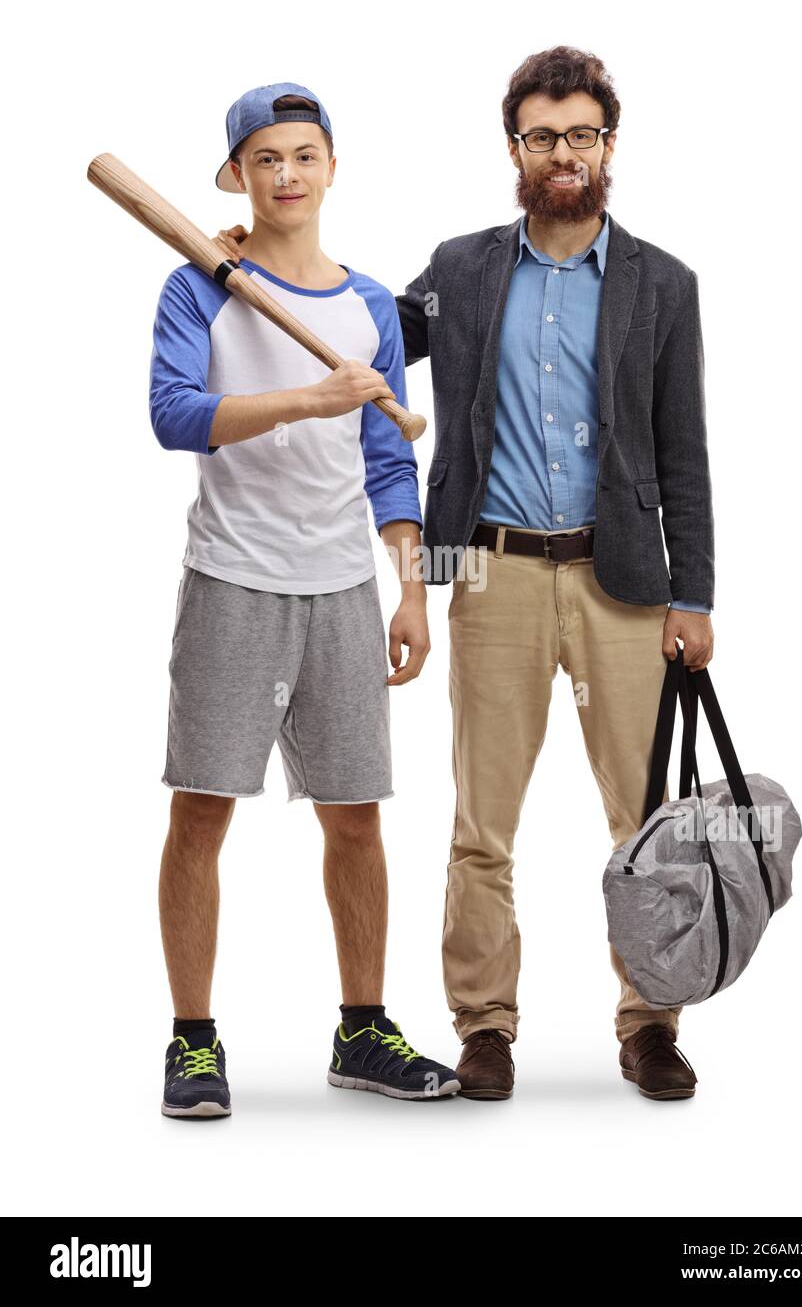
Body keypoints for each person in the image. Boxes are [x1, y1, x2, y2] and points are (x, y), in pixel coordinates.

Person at [217, 49, 715, 1104]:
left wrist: (694, 596)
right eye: (542, 136)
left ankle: (648, 1024)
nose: (562, 153)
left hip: (623, 583)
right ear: (514, 150)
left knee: (642, 823)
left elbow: (684, 452)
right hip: (484, 572)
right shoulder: (465, 269)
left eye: (580, 134)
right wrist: (252, 265)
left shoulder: (663, 284)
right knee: (480, 823)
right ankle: (483, 1025)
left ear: (607, 146)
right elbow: (353, 338)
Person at [154, 82, 460, 1117]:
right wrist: (308, 396)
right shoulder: (199, 286)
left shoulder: (370, 306)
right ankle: (192, 1041)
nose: (286, 175)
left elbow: (387, 463)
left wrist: (410, 593)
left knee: (356, 818)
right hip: (232, 577)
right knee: (201, 808)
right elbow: (174, 416)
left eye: (304, 155)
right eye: (265, 158)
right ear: (237, 174)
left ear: (333, 166)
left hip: (340, 586)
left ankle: (362, 1030)